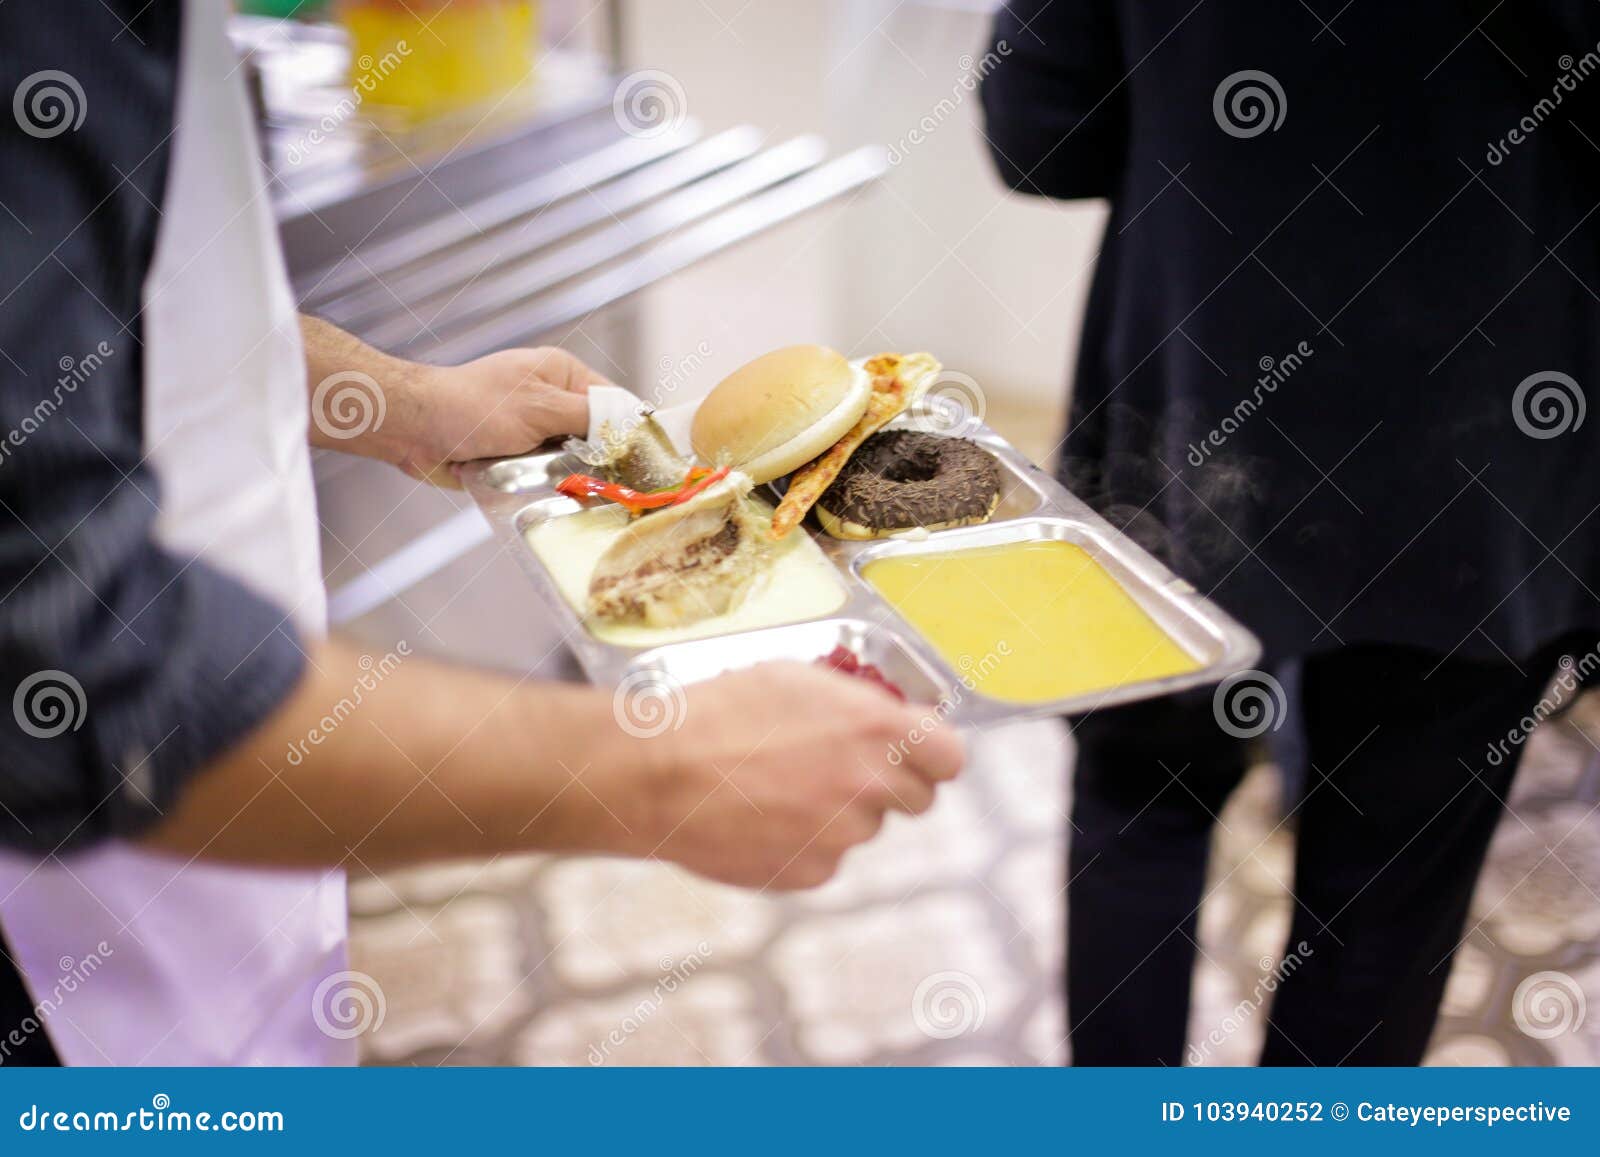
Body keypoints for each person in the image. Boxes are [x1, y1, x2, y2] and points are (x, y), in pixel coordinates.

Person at [0, 2, 963, 1066]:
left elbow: (142, 317)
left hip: (229, 882)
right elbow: (61, 668)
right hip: (61, 949)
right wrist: (658, 769)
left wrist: (402, 397)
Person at [982, 2, 1599, 1064]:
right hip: (1479, 457)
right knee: (1387, 895)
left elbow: (1041, 130)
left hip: (1185, 429)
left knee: (1141, 805)